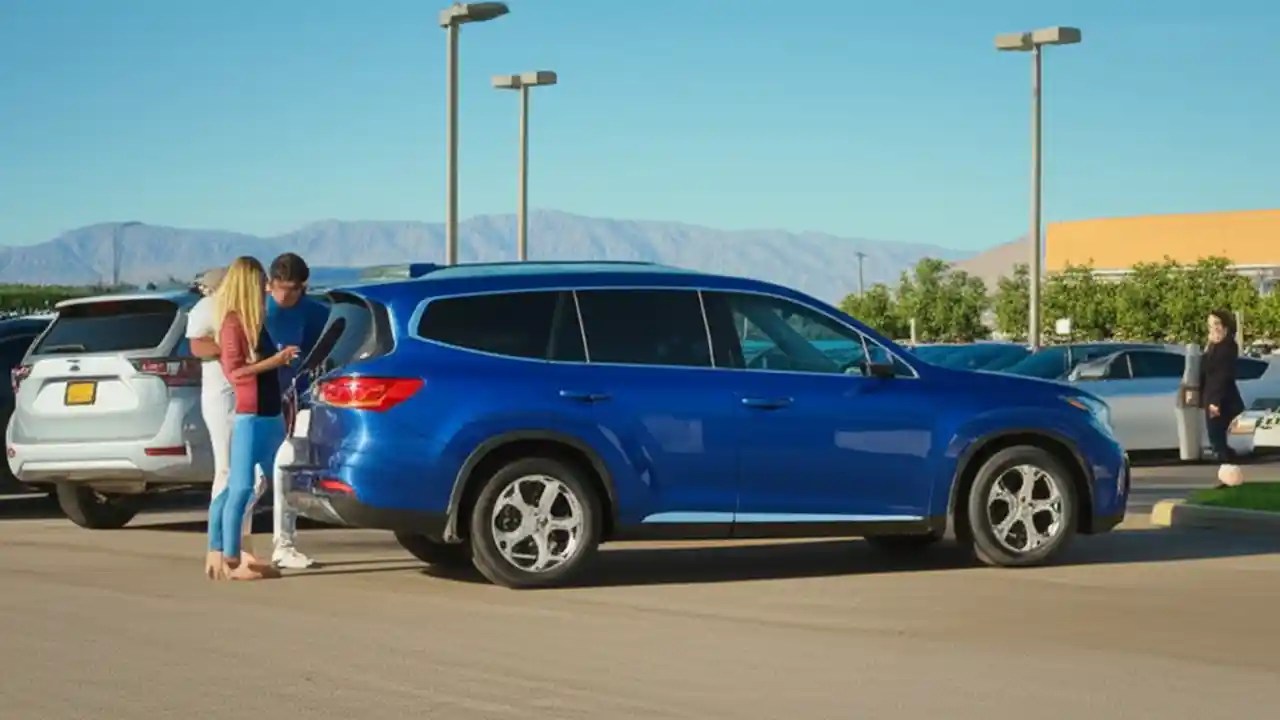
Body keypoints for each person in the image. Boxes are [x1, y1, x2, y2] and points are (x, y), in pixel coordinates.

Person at [208, 256, 299, 581]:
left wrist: (280, 361)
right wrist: (274, 361)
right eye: (259, 281)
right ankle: (228, 556)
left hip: (270, 412)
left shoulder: (255, 323)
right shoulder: (232, 324)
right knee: (241, 486)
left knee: (272, 479)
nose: (265, 287)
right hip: (250, 412)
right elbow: (235, 372)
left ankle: (238, 551)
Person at [188, 266, 266, 577]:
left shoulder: (246, 309)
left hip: (246, 393)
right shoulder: (208, 308)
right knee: (228, 470)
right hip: (222, 396)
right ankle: (220, 550)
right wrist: (233, 351)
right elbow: (197, 345)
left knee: (250, 473)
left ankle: (241, 549)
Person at [263, 252, 330, 569]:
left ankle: (284, 544)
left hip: (298, 402)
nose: (285, 295)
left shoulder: (316, 313)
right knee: (252, 478)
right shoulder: (258, 312)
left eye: (292, 288)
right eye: (280, 287)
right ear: (269, 284)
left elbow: (330, 349)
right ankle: (230, 546)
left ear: (303, 286)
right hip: (260, 402)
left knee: (285, 469)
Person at [1201, 309, 1245, 486]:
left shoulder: (1227, 347)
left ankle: (1229, 478)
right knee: (1217, 439)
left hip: (1220, 400)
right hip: (1212, 397)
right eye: (1211, 325)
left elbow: (1222, 376)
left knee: (1218, 439)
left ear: (1226, 326)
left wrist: (1214, 402)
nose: (1214, 328)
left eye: (1217, 324)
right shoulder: (1214, 346)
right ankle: (1229, 476)